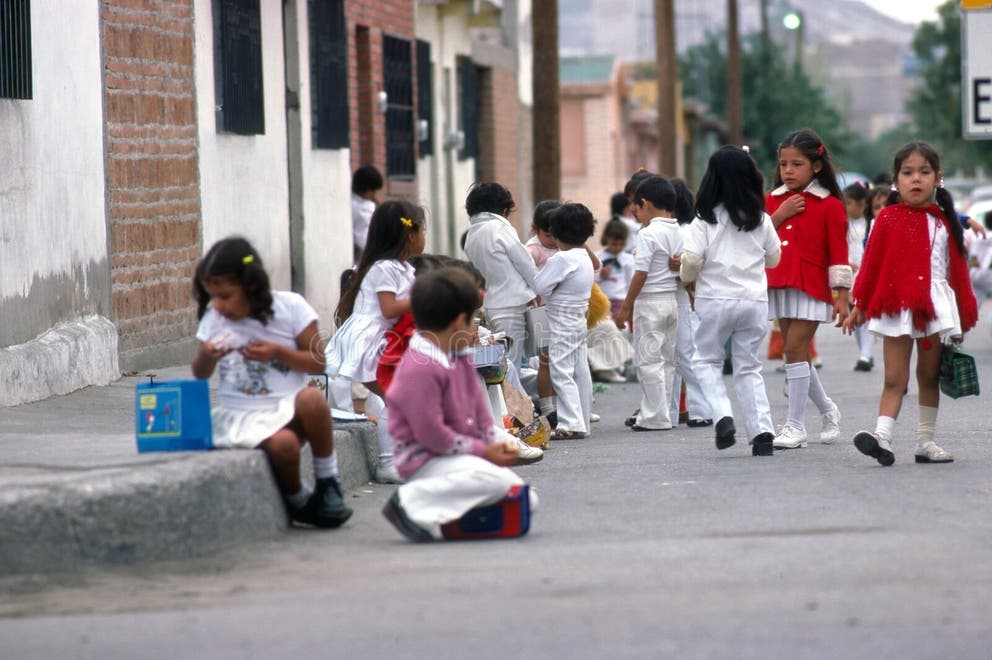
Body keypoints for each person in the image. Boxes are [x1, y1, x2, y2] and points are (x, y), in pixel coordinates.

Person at [192, 237, 352, 528]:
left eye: (225, 296)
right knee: (285, 445)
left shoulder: (290, 308)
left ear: (250, 286)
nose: (218, 304)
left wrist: (278, 353)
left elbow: (319, 361)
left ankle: (328, 482)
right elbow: (200, 373)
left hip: (288, 409)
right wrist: (208, 354)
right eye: (212, 296)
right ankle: (299, 502)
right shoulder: (215, 318)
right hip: (244, 417)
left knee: (312, 398)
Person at [843, 142, 978, 466]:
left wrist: (961, 315)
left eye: (924, 172)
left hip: (933, 309)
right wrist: (859, 303)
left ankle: (925, 441)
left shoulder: (944, 222)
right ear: (895, 180)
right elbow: (872, 263)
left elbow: (956, 270)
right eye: (907, 173)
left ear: (937, 178)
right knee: (894, 378)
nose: (915, 179)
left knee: (928, 377)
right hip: (895, 307)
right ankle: (882, 437)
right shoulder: (886, 218)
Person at [381, 266, 538, 542]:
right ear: (458, 322)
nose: (476, 328)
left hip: (457, 455)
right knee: (498, 483)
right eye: (474, 320)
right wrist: (484, 451)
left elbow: (479, 413)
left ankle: (439, 515)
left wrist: (492, 442)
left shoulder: (460, 356)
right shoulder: (420, 367)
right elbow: (432, 435)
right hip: (426, 459)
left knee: (525, 497)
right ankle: (410, 500)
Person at [680, 146, 782, 455]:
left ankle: (723, 415)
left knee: (707, 360)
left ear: (711, 180)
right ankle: (762, 430)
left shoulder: (703, 221)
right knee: (749, 367)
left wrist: (686, 276)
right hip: (753, 301)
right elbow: (775, 259)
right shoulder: (761, 219)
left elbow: (692, 260)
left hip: (714, 300)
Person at [326, 200, 426, 484]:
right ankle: (387, 463)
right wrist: (422, 297)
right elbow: (389, 308)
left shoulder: (402, 268)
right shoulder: (384, 268)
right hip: (370, 342)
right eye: (423, 231)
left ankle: (400, 458)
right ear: (410, 235)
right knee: (396, 401)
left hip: (382, 341)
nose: (424, 238)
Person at [765, 128, 851, 450]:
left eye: (796, 164)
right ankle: (828, 410)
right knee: (794, 351)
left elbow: (838, 252)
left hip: (812, 285)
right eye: (784, 164)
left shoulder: (830, 205)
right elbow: (759, 239)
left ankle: (795, 426)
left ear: (816, 166)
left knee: (795, 348)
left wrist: (842, 296)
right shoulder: (772, 200)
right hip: (779, 281)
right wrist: (777, 215)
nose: (788, 171)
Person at [616, 176, 682, 431]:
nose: (635, 213)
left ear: (645, 204)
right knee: (666, 360)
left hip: (650, 302)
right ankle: (660, 413)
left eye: (637, 207)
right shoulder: (677, 230)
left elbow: (640, 273)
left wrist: (626, 307)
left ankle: (654, 416)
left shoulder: (648, 233)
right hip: (671, 301)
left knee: (647, 360)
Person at [533, 203, 598, 439]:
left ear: (557, 233)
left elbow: (539, 286)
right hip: (578, 319)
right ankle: (583, 418)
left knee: (561, 371)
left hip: (561, 321)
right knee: (580, 370)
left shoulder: (562, 259)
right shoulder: (584, 258)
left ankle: (571, 423)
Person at [463, 182, 538, 373]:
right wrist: (540, 289)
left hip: (491, 304)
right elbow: (525, 263)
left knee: (495, 363)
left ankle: (500, 402)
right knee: (509, 365)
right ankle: (510, 403)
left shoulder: (471, 235)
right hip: (512, 304)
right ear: (504, 210)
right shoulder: (500, 229)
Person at [669, 178, 711, 427]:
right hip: (673, 298)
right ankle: (670, 411)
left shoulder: (689, 229)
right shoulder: (665, 229)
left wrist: (682, 264)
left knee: (686, 355)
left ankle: (701, 409)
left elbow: (701, 261)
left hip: (687, 300)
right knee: (671, 359)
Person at [525, 200, 562, 423]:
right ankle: (548, 408)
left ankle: (564, 404)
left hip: (559, 310)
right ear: (535, 230)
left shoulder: (562, 246)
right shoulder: (532, 250)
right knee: (545, 361)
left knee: (563, 360)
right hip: (541, 311)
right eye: (548, 236)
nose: (553, 241)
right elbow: (527, 278)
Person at [843, 180, 875, 372]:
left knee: (866, 313)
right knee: (854, 316)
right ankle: (864, 351)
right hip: (849, 275)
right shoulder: (843, 223)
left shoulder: (869, 223)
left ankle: (865, 355)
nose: (846, 207)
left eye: (849, 203)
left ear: (862, 202)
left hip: (866, 274)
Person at [351, 165, 384, 261]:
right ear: (367, 190)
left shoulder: (351, 202)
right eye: (374, 191)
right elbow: (363, 240)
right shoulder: (365, 207)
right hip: (361, 255)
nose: (375, 195)